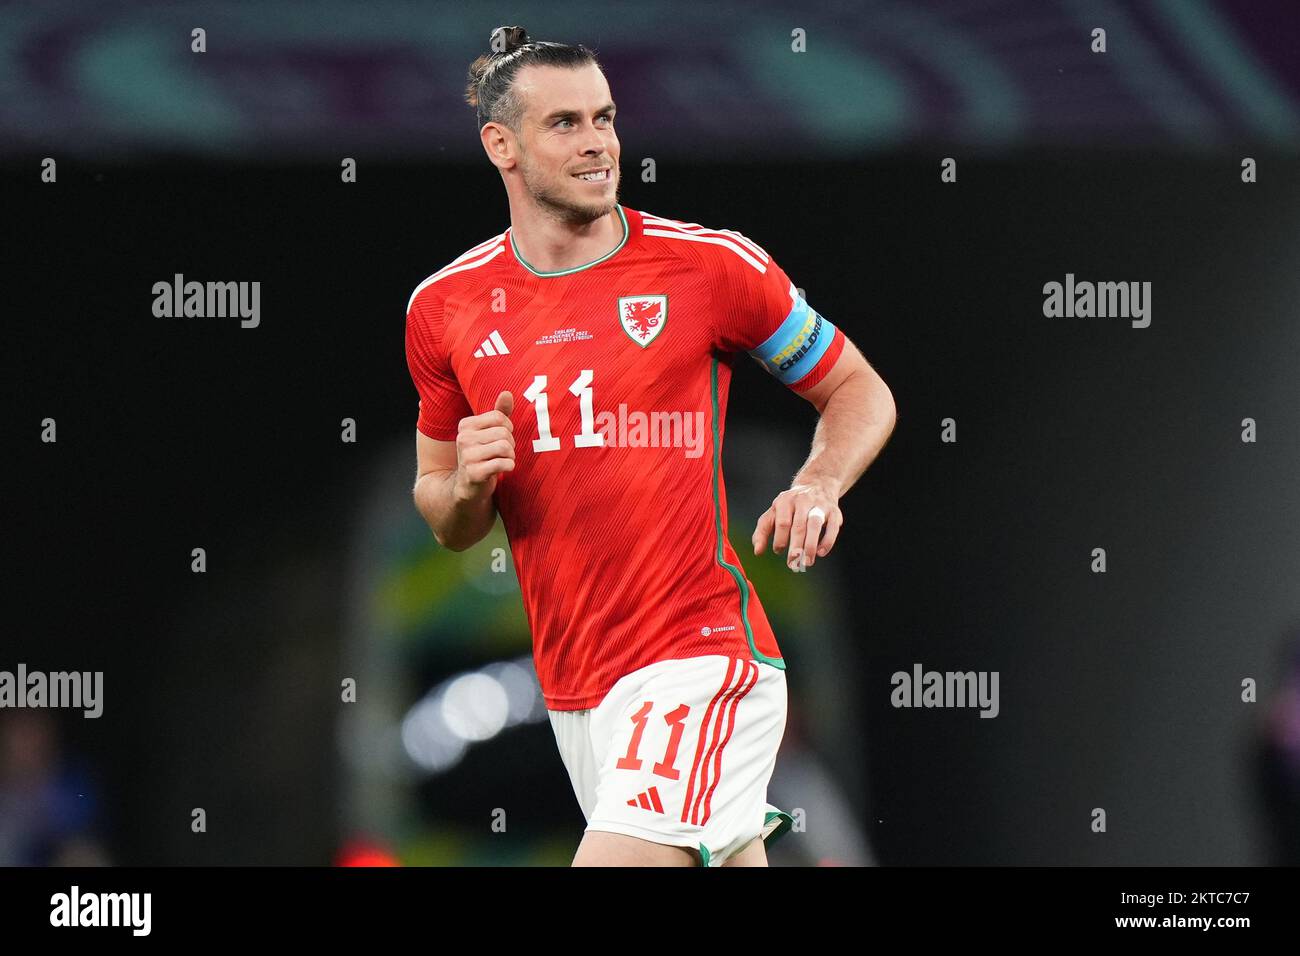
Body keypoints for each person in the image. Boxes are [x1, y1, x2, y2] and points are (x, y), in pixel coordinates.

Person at [405, 25, 896, 866]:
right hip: (576, 693)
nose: (598, 142)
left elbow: (858, 389)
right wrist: (466, 489)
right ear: (502, 145)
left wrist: (819, 482)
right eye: (565, 123)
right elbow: (440, 505)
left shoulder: (710, 269)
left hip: (699, 660)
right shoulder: (444, 308)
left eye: (606, 117)